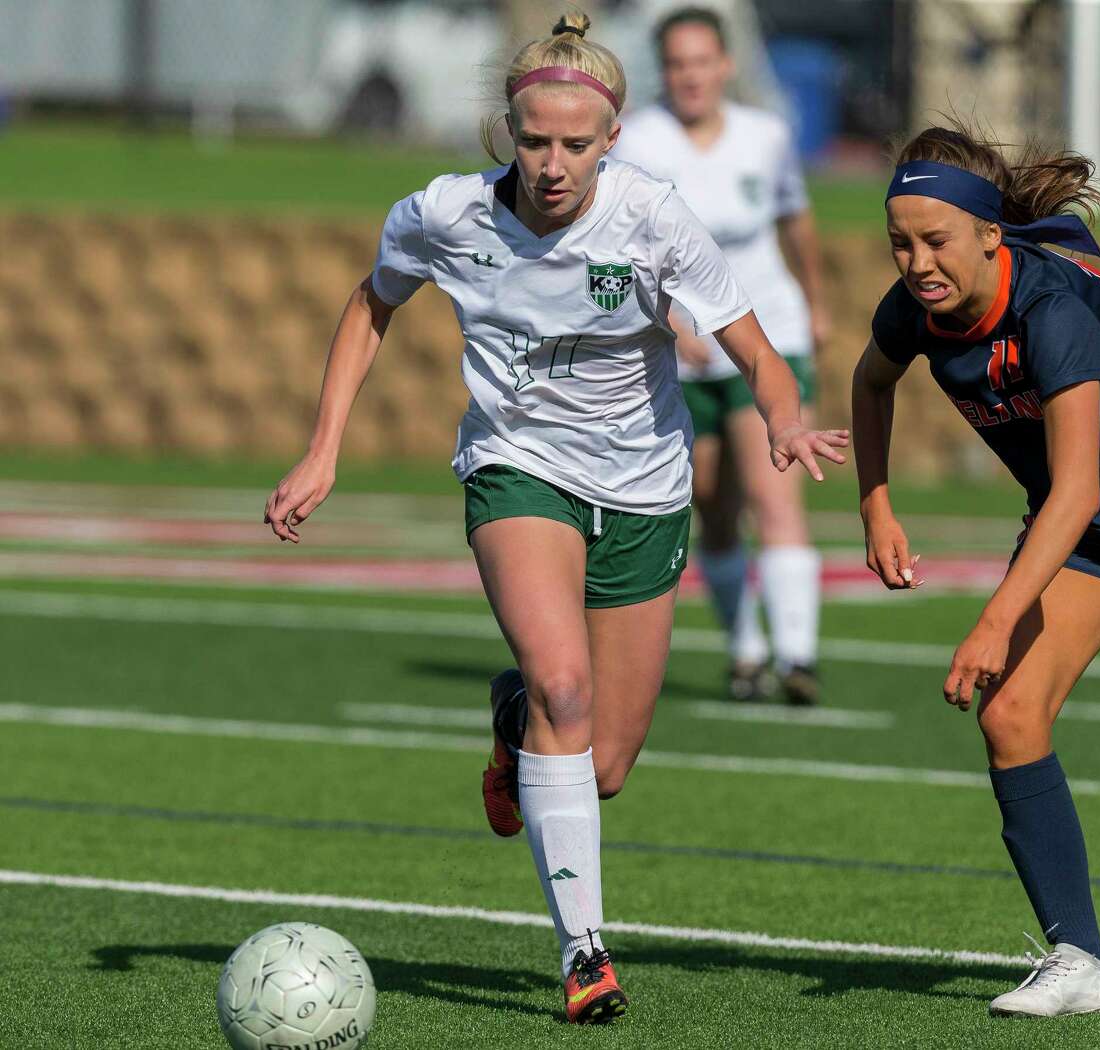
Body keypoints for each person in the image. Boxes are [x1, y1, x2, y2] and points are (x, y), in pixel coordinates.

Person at [264, 11, 848, 1025]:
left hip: (644, 486)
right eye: (534, 141)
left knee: (605, 764)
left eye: (576, 145)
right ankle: (584, 953)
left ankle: (511, 725)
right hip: (517, 469)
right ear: (508, 131)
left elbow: (753, 345)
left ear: (611, 138)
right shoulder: (445, 214)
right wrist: (323, 450)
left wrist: (784, 421)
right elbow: (372, 305)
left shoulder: (654, 216)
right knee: (563, 688)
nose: (552, 164)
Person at [853, 119, 1100, 1018]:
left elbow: (1077, 490)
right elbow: (869, 381)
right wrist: (875, 502)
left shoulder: (1051, 312)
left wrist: (997, 616)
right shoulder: (914, 312)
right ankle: (1082, 960)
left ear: (989, 235)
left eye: (936, 241)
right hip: (1088, 528)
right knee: (1011, 715)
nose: (917, 261)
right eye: (900, 242)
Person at [612, 6, 832, 705]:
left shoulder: (765, 136)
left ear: (726, 65)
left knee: (775, 492)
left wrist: (815, 300)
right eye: (677, 64)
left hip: (768, 336)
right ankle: (746, 649)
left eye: (702, 61)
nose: (690, 76)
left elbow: (794, 220)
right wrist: (673, 325)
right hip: (681, 347)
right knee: (710, 502)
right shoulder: (638, 142)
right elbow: (623, 247)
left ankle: (798, 658)